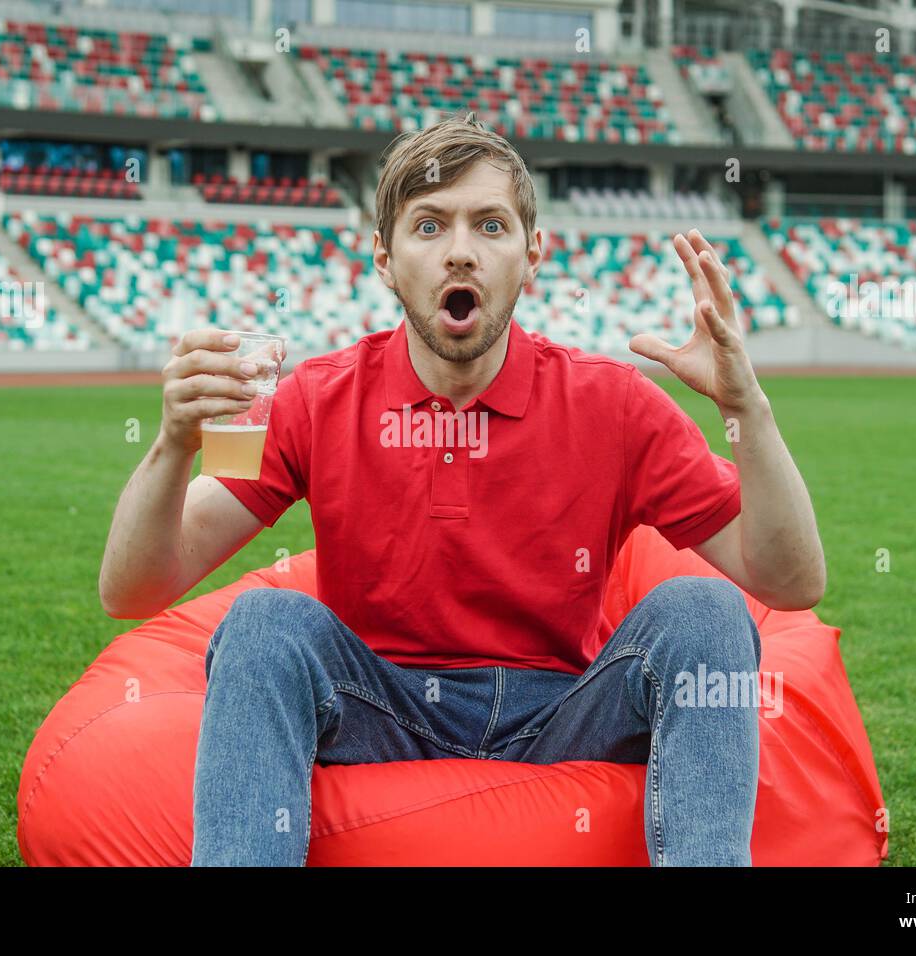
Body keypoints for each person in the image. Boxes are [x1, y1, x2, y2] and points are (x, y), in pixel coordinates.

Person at [99, 111, 825, 867]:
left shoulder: (614, 404)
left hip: (562, 711)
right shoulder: (316, 399)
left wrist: (749, 410)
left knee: (705, 611)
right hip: (378, 704)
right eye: (428, 226)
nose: (460, 253)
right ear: (385, 258)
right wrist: (173, 444)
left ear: (531, 254)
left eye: (489, 225)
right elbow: (135, 590)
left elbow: (792, 581)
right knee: (261, 623)